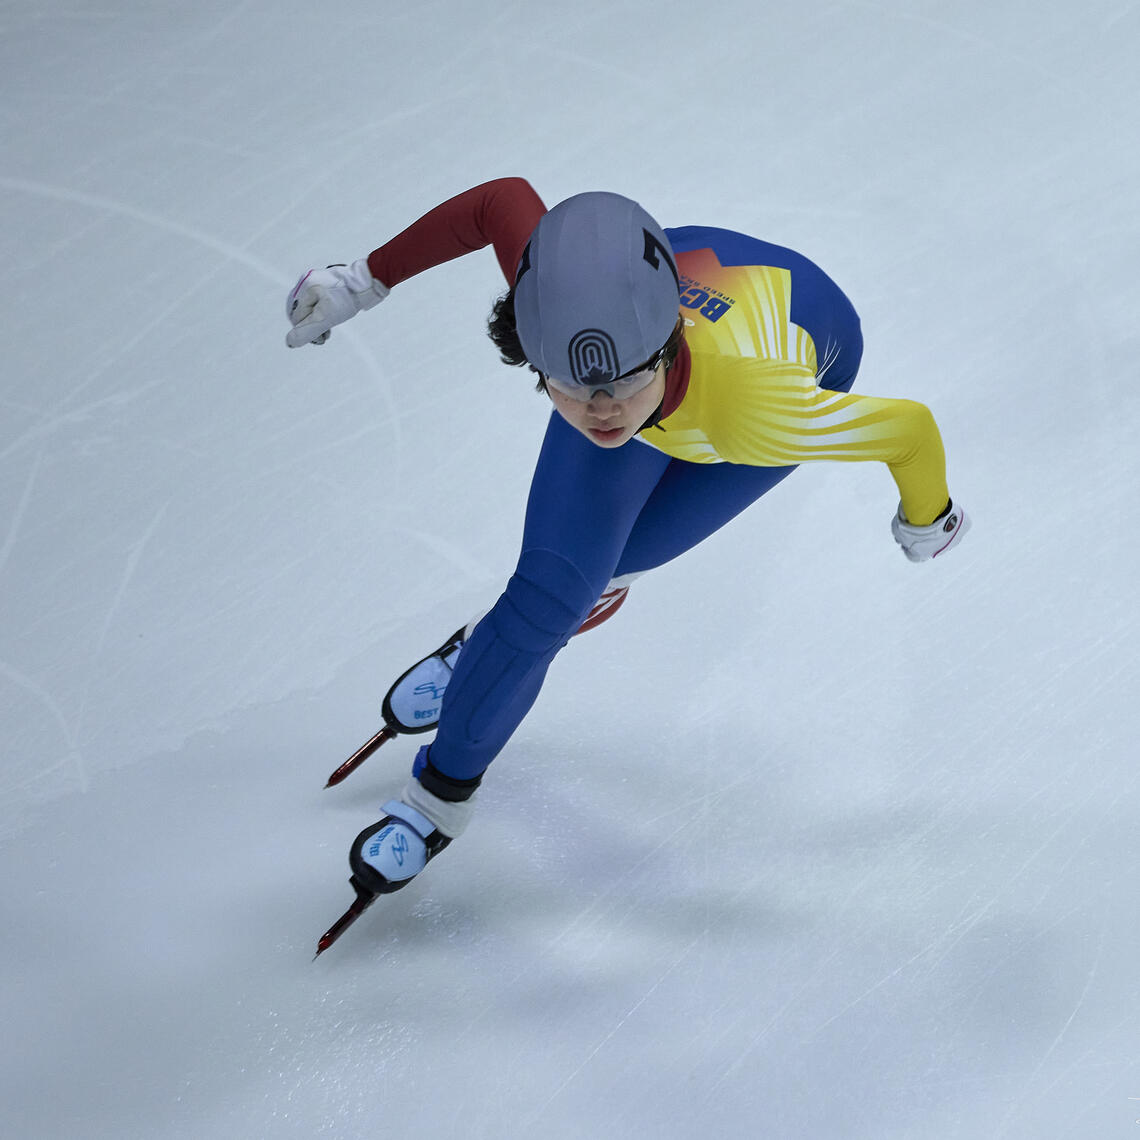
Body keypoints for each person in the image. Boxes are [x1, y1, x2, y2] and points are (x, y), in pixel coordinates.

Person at [286, 177, 970, 905]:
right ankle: (440, 797)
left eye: (621, 385)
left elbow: (909, 430)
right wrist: (359, 281)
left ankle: (509, 651)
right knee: (548, 596)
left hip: (764, 363)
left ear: (668, 345)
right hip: (648, 304)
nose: (601, 412)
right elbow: (500, 204)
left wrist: (931, 519)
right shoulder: (557, 299)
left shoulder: (761, 409)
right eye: (569, 390)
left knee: (621, 559)